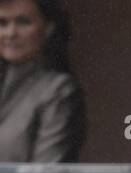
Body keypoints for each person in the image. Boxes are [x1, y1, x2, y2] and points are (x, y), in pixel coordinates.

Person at [0, 0, 85, 162]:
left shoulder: (59, 91)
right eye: (2, 23)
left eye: (23, 22)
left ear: (48, 28)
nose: (11, 33)